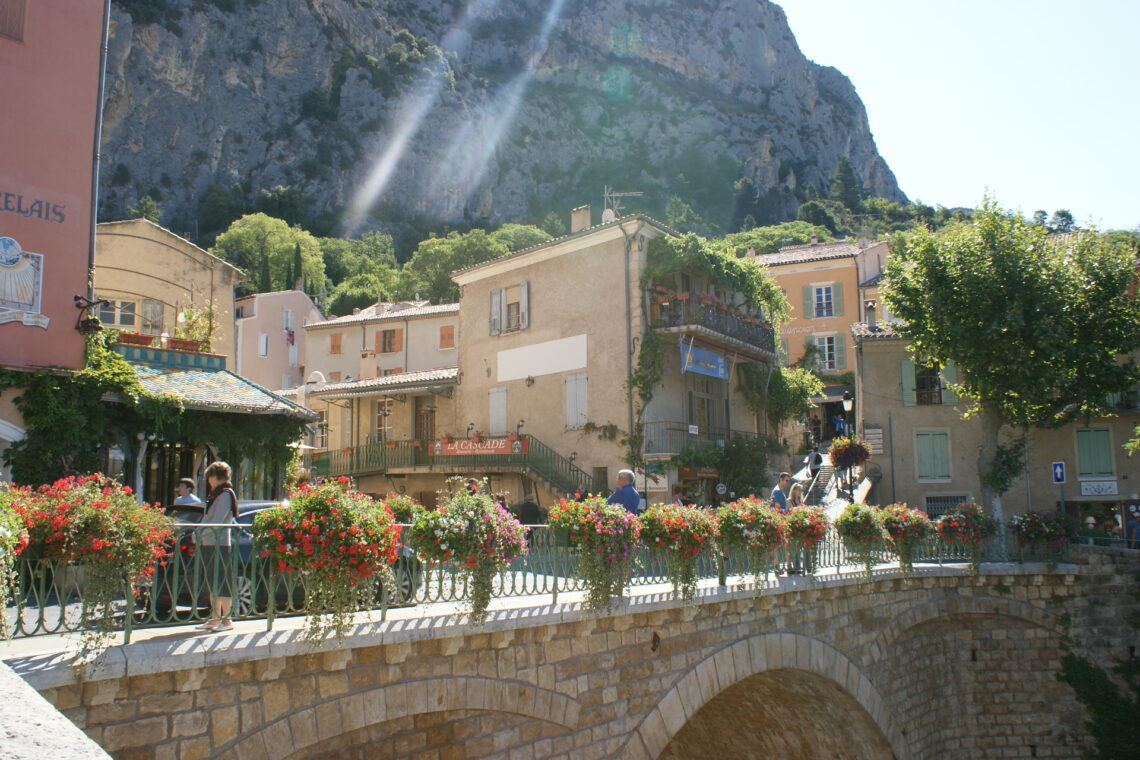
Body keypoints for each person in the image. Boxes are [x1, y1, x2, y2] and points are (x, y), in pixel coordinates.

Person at [197, 461, 238, 633]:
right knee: (212, 580)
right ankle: (214, 618)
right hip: (210, 541)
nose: (208, 481)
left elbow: (217, 520)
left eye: (209, 478)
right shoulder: (216, 494)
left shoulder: (225, 494)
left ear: (214, 477)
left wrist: (199, 533)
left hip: (219, 542)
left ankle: (226, 620)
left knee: (222, 581)